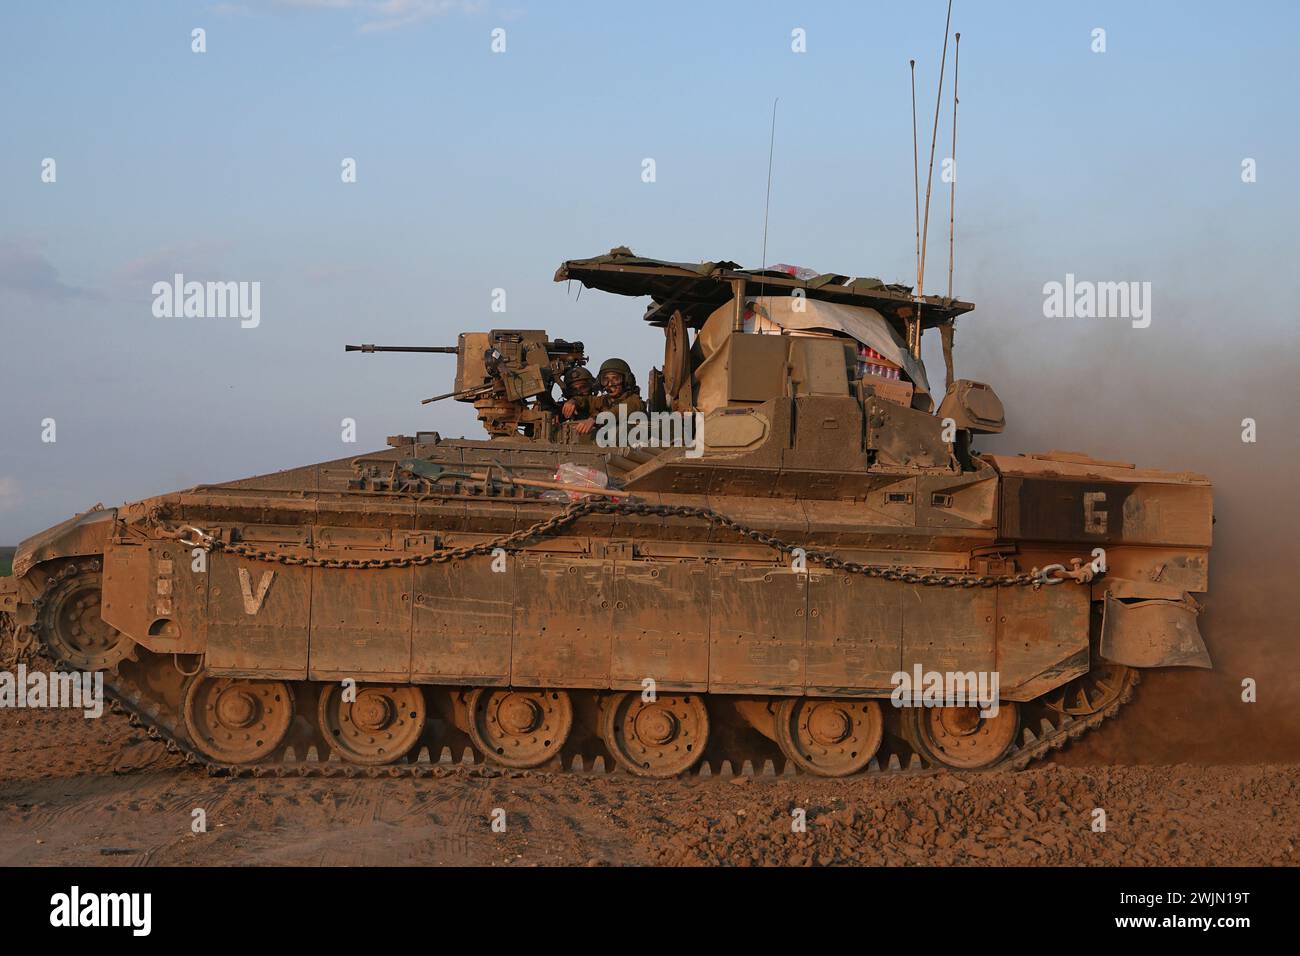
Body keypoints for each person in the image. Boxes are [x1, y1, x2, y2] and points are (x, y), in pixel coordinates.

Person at [564, 358, 645, 435]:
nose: (610, 384)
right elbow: (588, 400)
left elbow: (618, 411)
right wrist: (573, 401)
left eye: (615, 379)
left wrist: (594, 419)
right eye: (605, 380)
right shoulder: (604, 400)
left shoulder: (635, 401)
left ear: (626, 380)